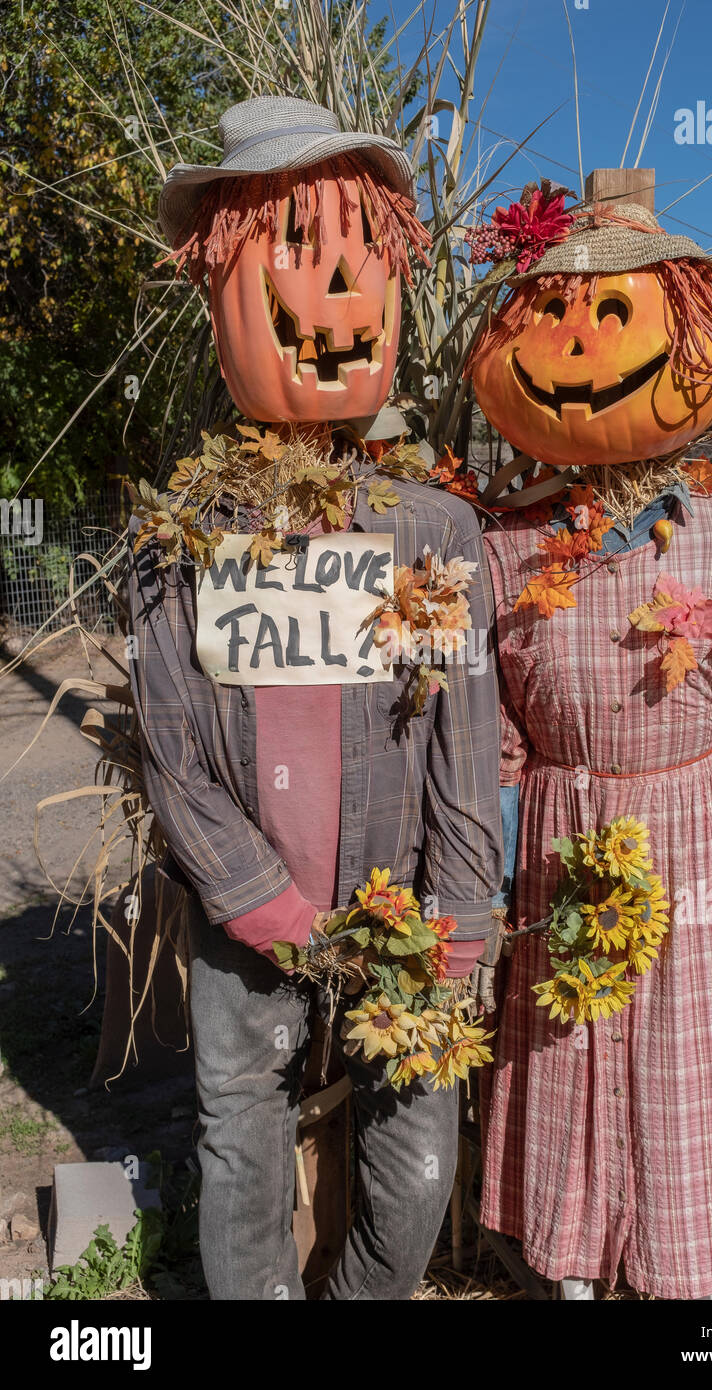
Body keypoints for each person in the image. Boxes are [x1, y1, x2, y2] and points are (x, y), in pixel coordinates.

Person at [128, 96, 502, 1300]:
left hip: (400, 905)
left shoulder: (431, 528)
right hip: (252, 915)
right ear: (222, 287)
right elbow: (174, 746)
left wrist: (463, 906)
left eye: (359, 250)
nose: (333, 283)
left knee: (413, 1153)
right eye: (293, 243)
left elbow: (461, 732)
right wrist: (257, 898)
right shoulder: (179, 541)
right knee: (240, 1131)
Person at [466, 196, 712, 1299]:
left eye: (612, 311)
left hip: (686, 840)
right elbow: (490, 744)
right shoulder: (504, 548)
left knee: (676, 1066)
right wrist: (487, 888)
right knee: (562, 1059)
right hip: (557, 842)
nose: (580, 344)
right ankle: (572, 1271)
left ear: (689, 331)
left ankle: (687, 1280)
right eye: (552, 311)